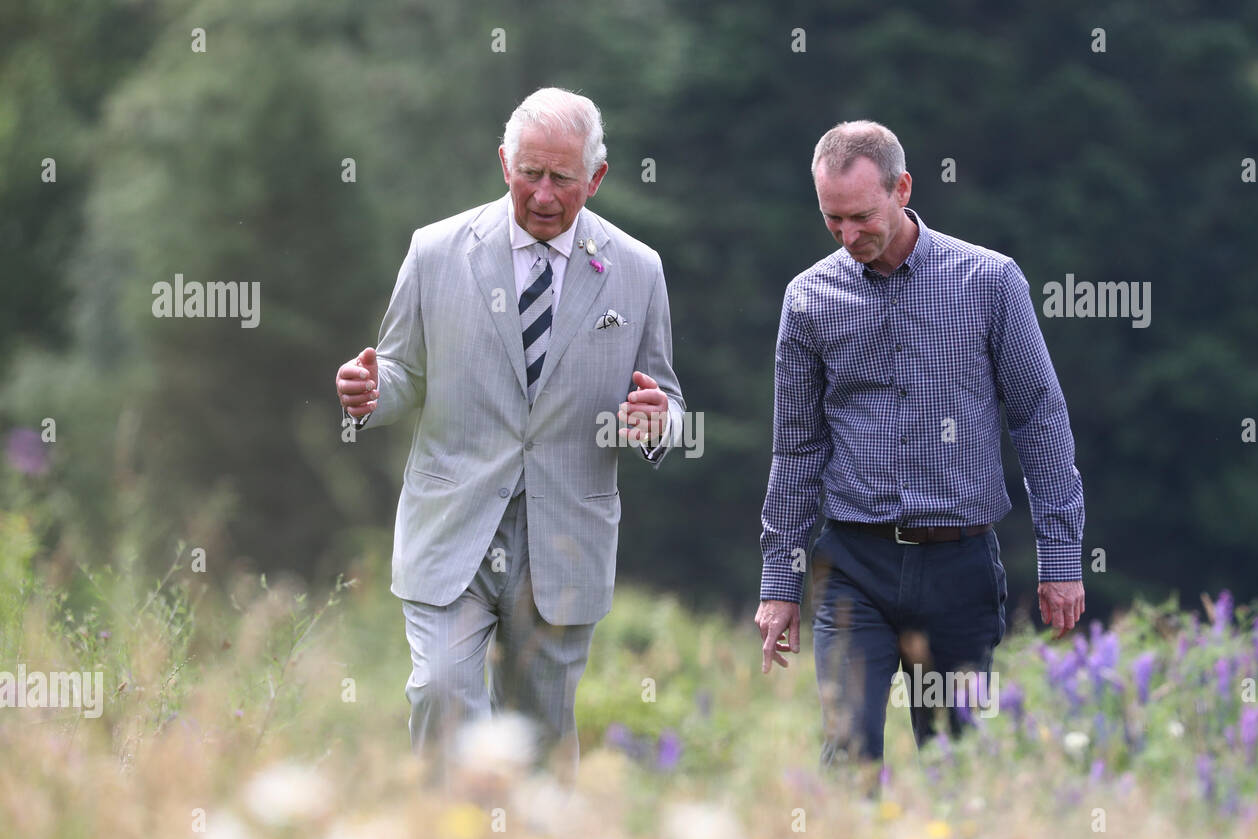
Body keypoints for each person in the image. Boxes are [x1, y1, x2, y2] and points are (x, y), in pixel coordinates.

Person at [335, 87, 685, 780]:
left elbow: (664, 396)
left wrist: (658, 423)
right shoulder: (435, 252)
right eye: (531, 173)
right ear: (504, 163)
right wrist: (371, 393)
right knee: (441, 691)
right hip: (453, 523)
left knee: (541, 736)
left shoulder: (637, 270)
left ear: (597, 179)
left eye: (562, 178)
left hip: (563, 536)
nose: (545, 194)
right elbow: (403, 369)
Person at [754, 120, 1084, 774]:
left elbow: (1038, 418)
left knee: (953, 762)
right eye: (832, 220)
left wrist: (1062, 556)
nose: (848, 238)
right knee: (847, 753)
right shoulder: (809, 298)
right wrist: (779, 582)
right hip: (852, 568)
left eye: (861, 217)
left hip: (959, 568)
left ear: (902, 188)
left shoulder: (989, 282)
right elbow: (796, 451)